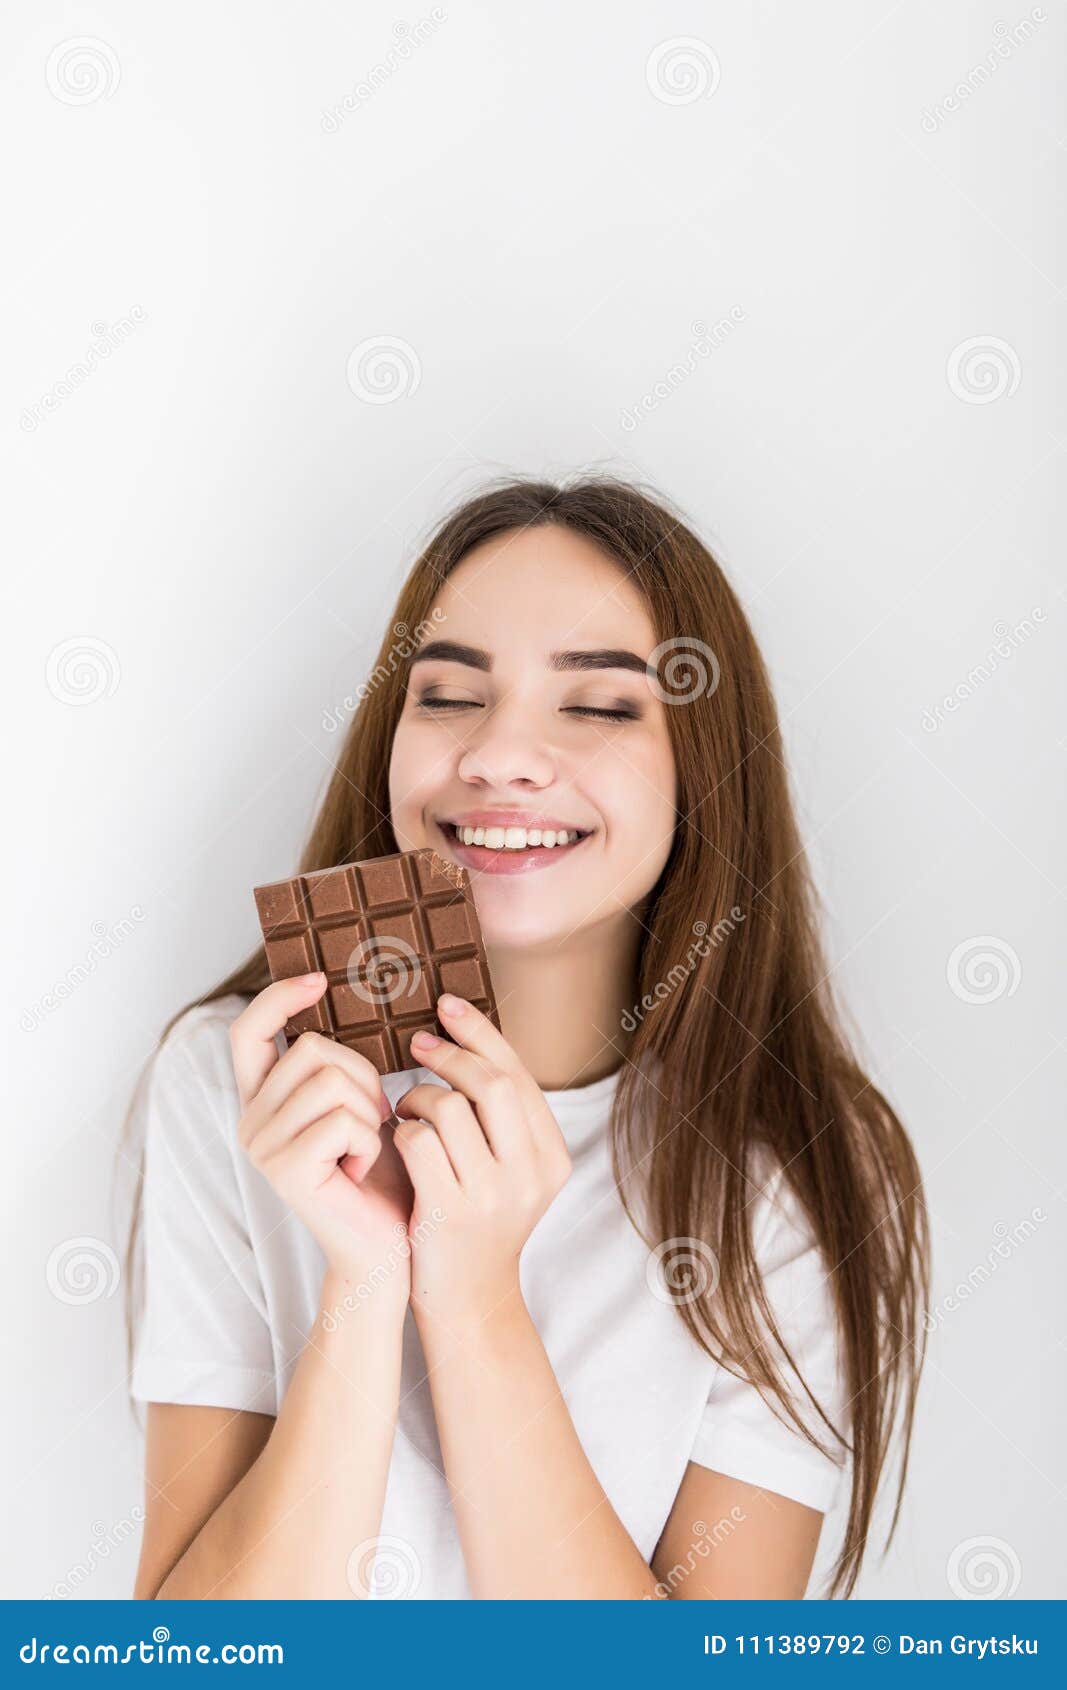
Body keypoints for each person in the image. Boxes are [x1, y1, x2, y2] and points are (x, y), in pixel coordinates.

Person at [124, 475, 929, 1600]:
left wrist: (473, 1299)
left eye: (598, 707)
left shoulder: (791, 1161)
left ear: (704, 771)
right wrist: (362, 1280)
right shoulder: (238, 1083)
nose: (501, 755)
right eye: (448, 696)